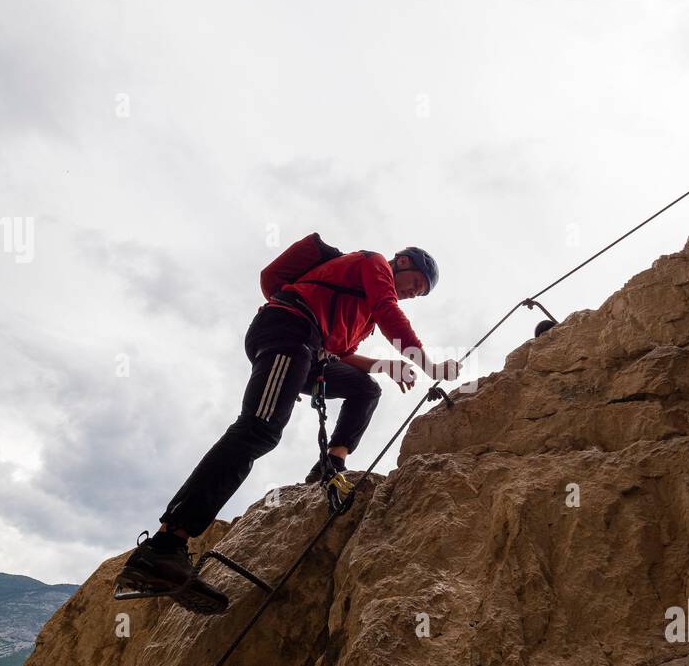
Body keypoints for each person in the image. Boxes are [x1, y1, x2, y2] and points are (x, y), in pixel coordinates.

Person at [114, 243, 459, 601]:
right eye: (414, 283)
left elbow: (340, 353)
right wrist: (429, 364)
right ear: (401, 262)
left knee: (365, 390)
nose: (410, 294)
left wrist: (384, 366)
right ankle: (166, 544)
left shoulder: (359, 313)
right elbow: (389, 311)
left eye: (417, 294)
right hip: (290, 332)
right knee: (258, 430)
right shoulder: (373, 265)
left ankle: (331, 462)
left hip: (309, 350)